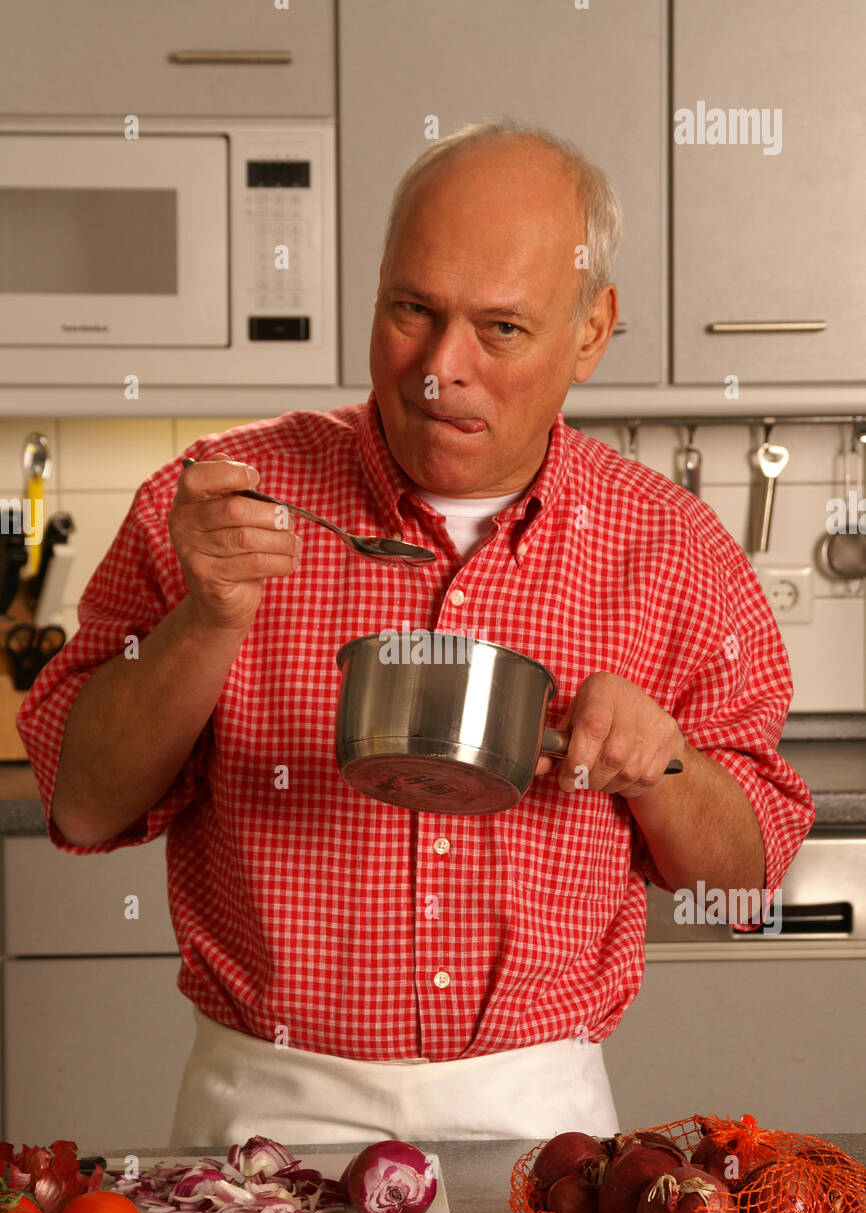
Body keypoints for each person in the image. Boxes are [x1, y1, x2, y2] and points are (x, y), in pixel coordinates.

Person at [17, 120, 815, 1147]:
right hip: (260, 1116)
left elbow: (742, 890)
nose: (440, 369)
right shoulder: (220, 500)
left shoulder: (672, 549)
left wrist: (663, 767)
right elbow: (82, 807)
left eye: (499, 329)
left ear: (589, 329)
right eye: (412, 311)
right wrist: (207, 619)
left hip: (540, 1121)